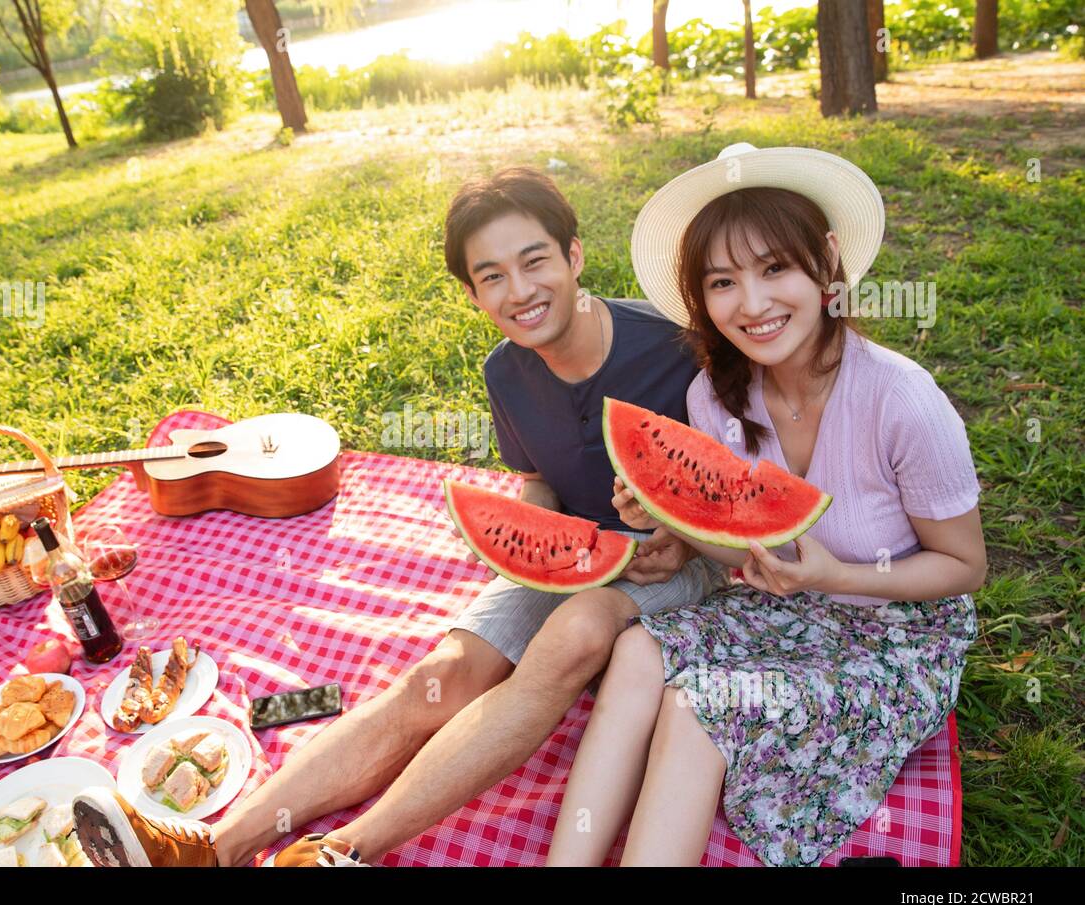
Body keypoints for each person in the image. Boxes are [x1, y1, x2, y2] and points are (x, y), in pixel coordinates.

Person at [70, 166, 726, 867]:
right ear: (474, 295)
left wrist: (682, 538)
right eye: (492, 276)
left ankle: (341, 852)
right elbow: (539, 481)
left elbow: (747, 478)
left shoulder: (678, 345)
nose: (521, 290)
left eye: (535, 260)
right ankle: (215, 850)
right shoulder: (506, 370)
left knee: (574, 632)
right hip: (570, 552)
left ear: (574, 255)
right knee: (440, 674)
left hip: (683, 555)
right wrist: (517, 529)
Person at [547, 143, 987, 867]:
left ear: (828, 262)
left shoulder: (901, 399)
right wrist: (675, 519)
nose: (751, 305)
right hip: (784, 608)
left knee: (698, 710)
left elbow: (965, 566)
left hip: (897, 630)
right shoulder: (712, 398)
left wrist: (835, 578)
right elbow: (747, 551)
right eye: (723, 282)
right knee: (635, 650)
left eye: (775, 268)